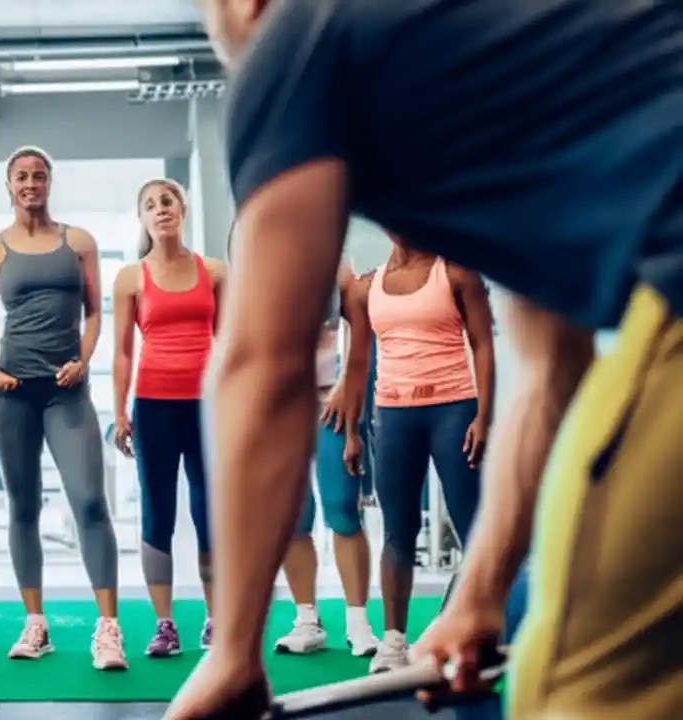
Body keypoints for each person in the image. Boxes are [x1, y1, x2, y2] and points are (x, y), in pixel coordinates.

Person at [170, 2, 681, 718]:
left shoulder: (296, 38)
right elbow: (549, 369)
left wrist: (233, 656)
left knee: (576, 689)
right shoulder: (510, 79)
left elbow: (263, 363)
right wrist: (477, 597)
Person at [0, 146, 126, 670]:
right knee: (23, 507)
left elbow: (94, 315)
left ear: (49, 183)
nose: (31, 183)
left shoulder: (77, 242)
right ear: (9, 185)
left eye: (39, 175)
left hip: (67, 391)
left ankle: (108, 628)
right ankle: (35, 623)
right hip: (13, 392)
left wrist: (83, 361)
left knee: (88, 501)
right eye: (22, 176)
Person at [361, 239, 496, 673]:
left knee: (472, 526)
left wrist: (484, 415)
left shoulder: (455, 272)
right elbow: (360, 359)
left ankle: (473, 627)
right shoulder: (371, 285)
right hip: (394, 412)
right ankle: (393, 642)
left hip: (453, 409)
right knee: (396, 532)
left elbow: (482, 344)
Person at [111, 178, 226, 657]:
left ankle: (217, 618)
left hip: (206, 406)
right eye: (151, 205)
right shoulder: (130, 277)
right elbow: (121, 352)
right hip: (154, 405)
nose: (161, 210)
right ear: (142, 218)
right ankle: (165, 624)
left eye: (168, 202)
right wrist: (120, 411)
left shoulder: (215, 271)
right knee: (157, 515)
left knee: (209, 515)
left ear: (183, 209)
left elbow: (231, 345)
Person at [271, 260, 382, 659]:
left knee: (342, 510)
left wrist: (345, 386)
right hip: (284, 407)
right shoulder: (262, 256)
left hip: (330, 406)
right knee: (295, 517)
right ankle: (306, 620)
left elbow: (361, 334)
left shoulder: (335, 263)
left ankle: (358, 622)